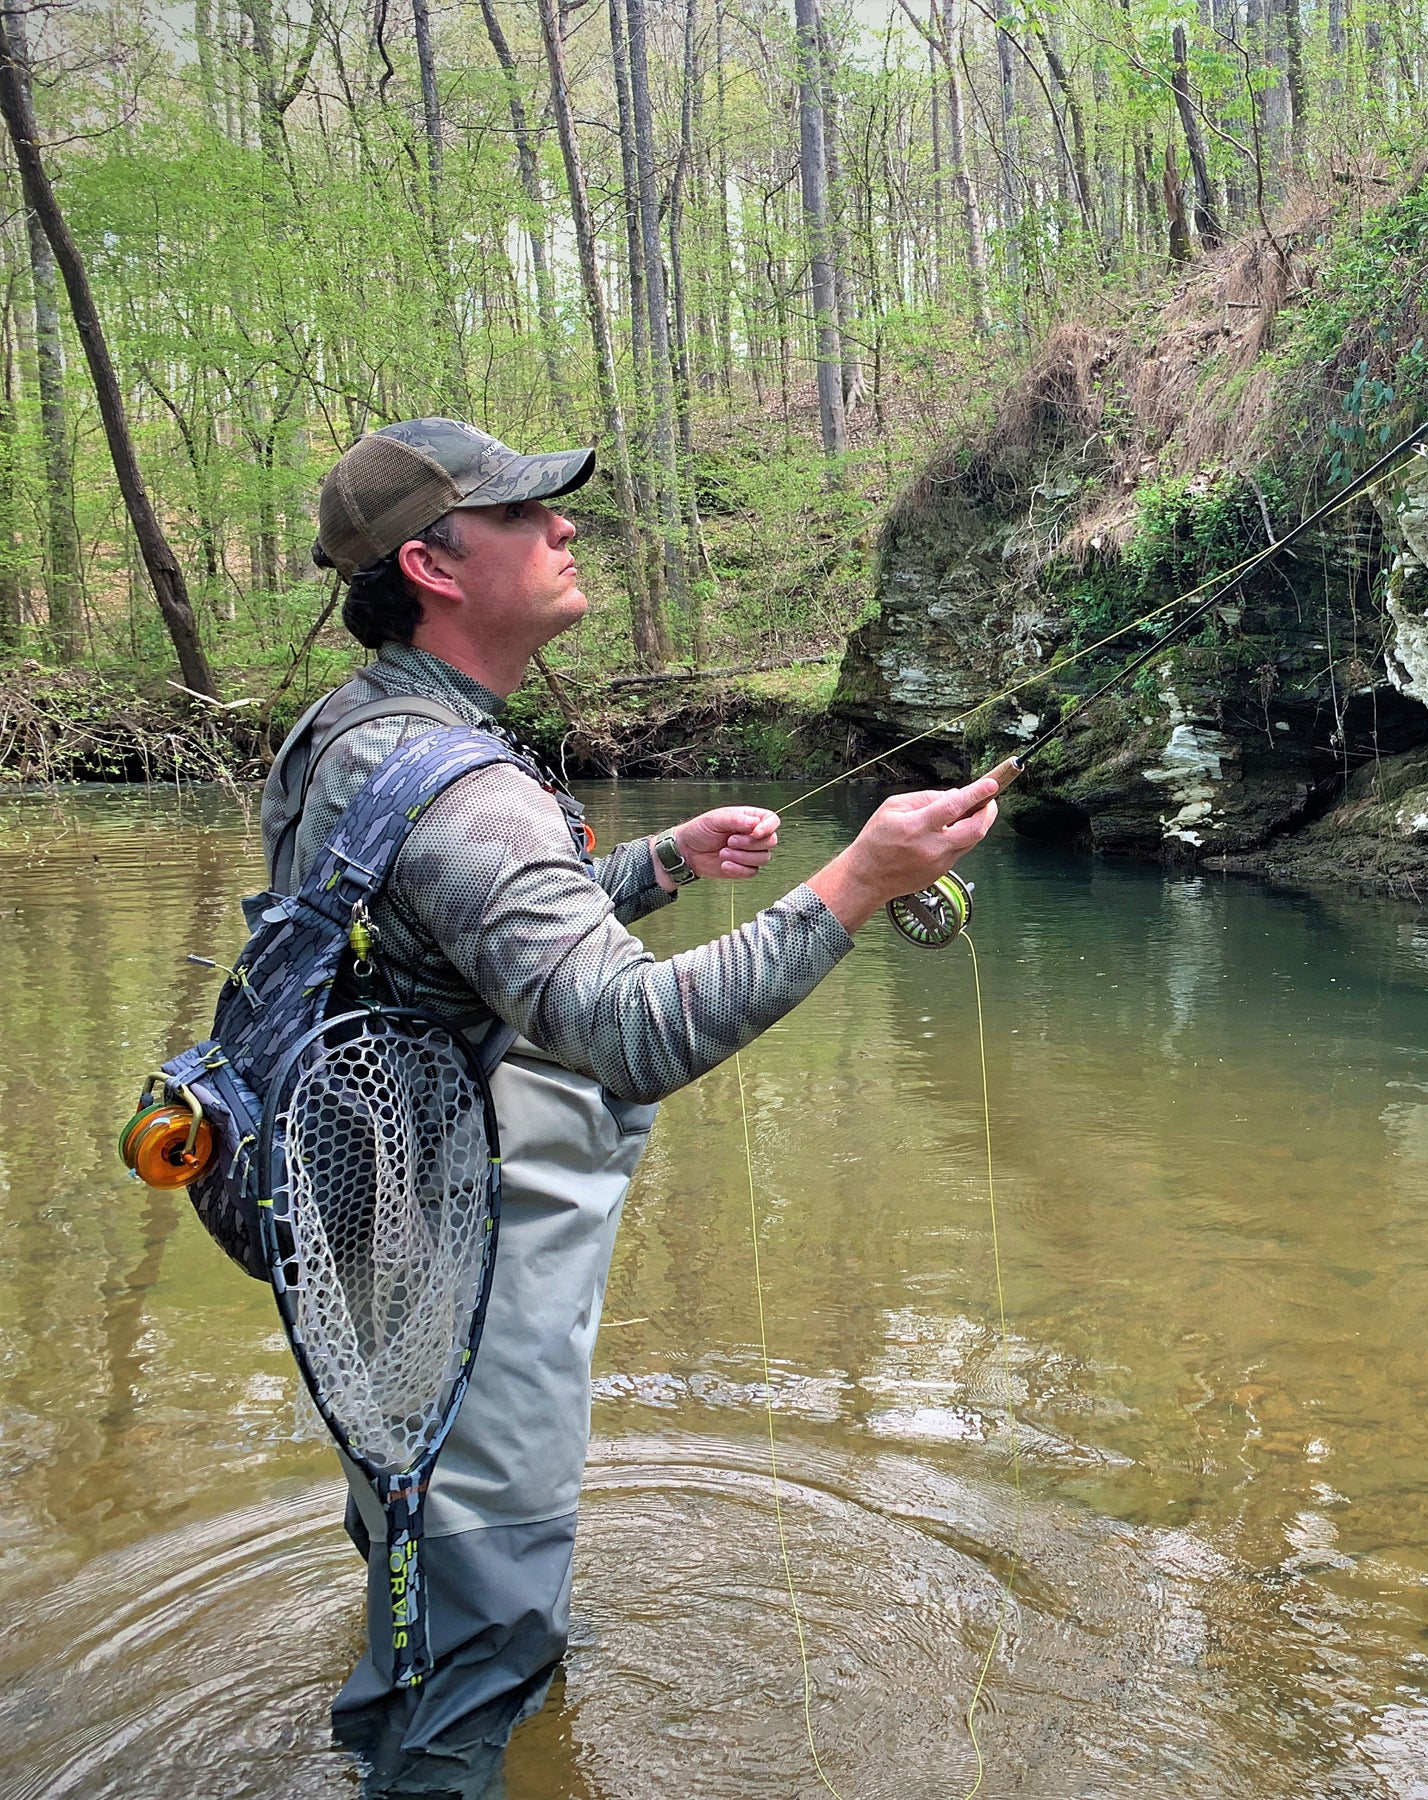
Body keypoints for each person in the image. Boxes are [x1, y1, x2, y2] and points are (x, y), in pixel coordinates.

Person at [274, 417, 997, 1795]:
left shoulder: (358, 734)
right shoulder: (468, 789)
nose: (564, 528)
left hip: (364, 1229)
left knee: (423, 1560)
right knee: (477, 1643)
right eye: (527, 514)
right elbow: (632, 1031)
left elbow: (440, 936)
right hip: (460, 1256)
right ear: (431, 563)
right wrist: (857, 885)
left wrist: (657, 862)